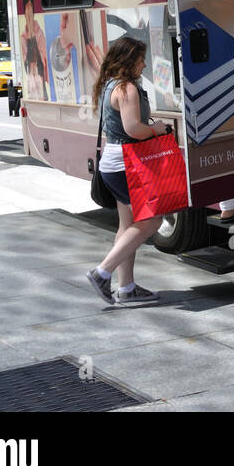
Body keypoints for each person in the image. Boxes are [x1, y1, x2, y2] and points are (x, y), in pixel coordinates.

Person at [85, 37, 173, 305]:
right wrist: (156, 129)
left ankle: (126, 288)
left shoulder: (110, 85)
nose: (144, 64)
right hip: (127, 163)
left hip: (113, 162)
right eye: (140, 59)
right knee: (153, 220)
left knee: (127, 225)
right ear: (128, 60)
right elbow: (133, 128)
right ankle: (103, 272)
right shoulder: (127, 89)